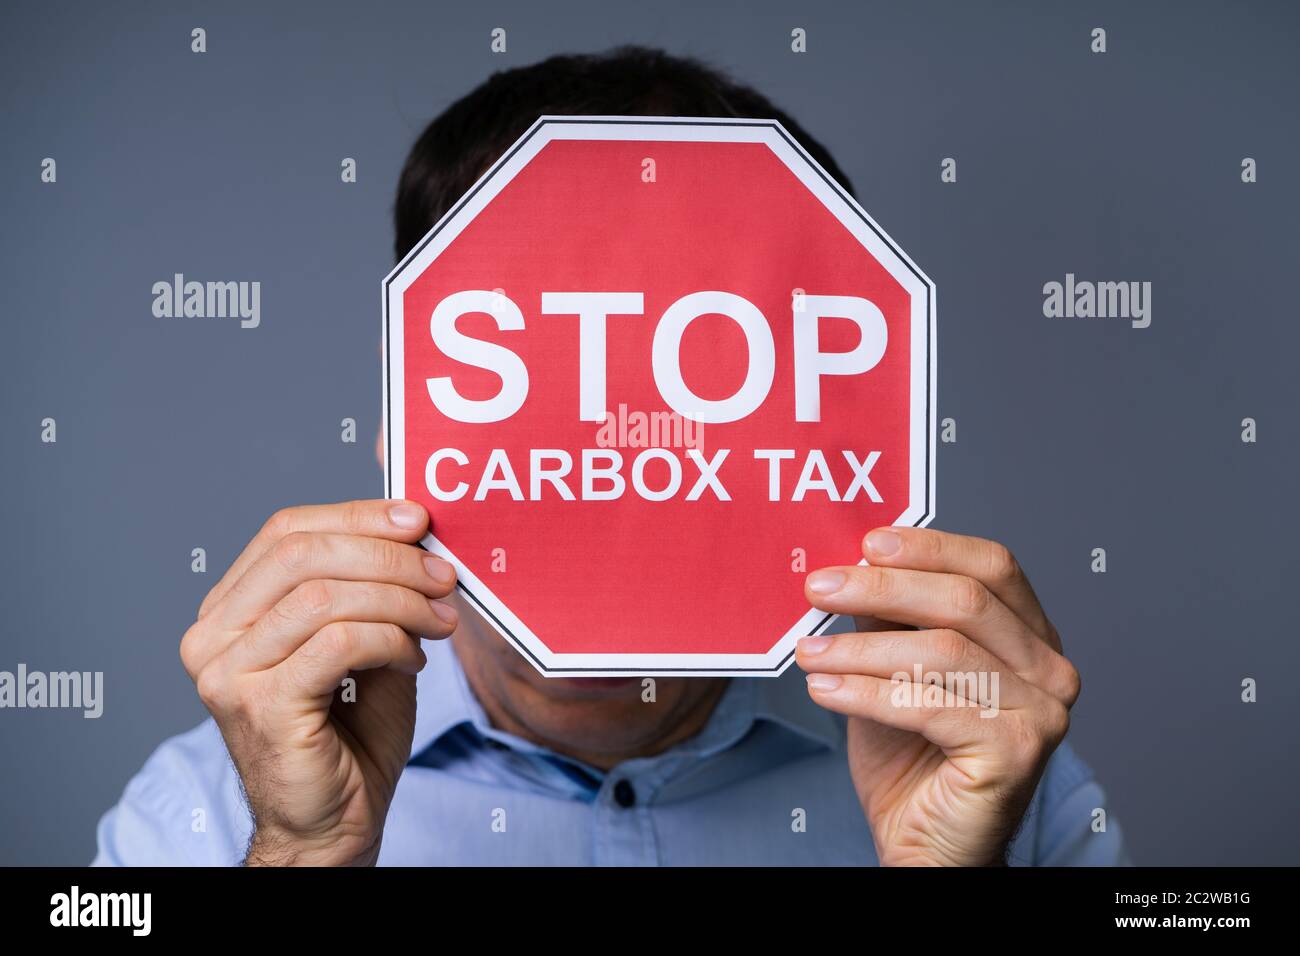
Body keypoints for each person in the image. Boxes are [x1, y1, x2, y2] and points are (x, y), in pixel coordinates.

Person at [94, 47, 1125, 867]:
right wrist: (306, 855)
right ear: (408, 405)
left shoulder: (996, 779)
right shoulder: (210, 806)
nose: (620, 454)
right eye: (539, 364)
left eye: (702, 369)